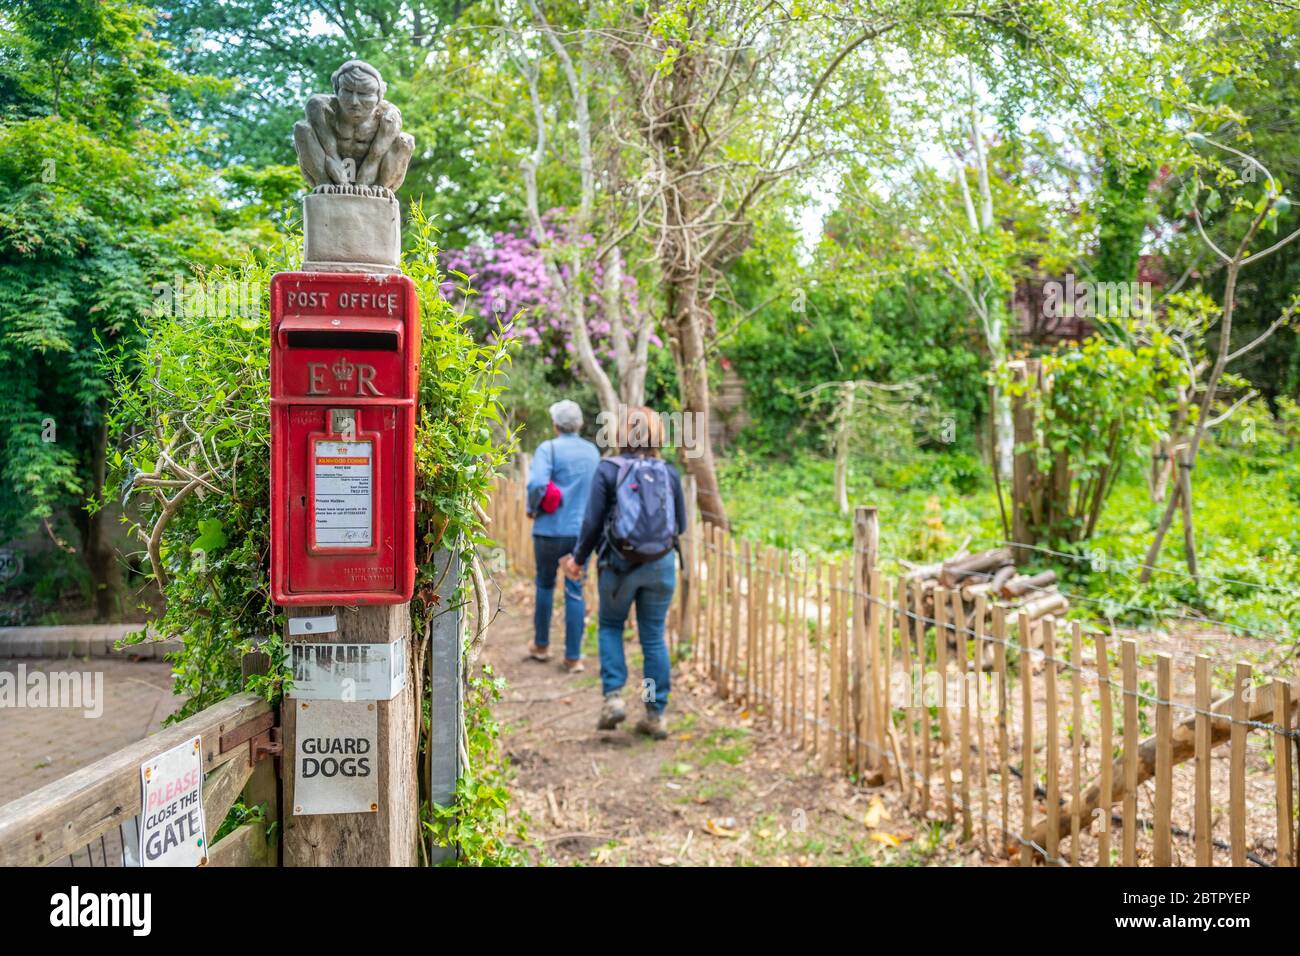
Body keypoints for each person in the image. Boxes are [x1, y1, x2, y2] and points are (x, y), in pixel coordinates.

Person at [560, 406, 685, 740]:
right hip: (661, 566)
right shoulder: (668, 472)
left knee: (612, 626)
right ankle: (654, 713)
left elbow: (592, 523)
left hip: (619, 567)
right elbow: (681, 525)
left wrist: (578, 559)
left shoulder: (609, 470)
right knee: (653, 637)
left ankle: (614, 698)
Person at [526, 400, 600, 672]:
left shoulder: (549, 449)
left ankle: (542, 645)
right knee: (575, 589)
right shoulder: (593, 452)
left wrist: (533, 508)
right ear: (579, 424)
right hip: (582, 534)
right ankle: (573, 657)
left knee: (545, 585)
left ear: (555, 425)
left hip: (549, 531)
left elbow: (536, 484)